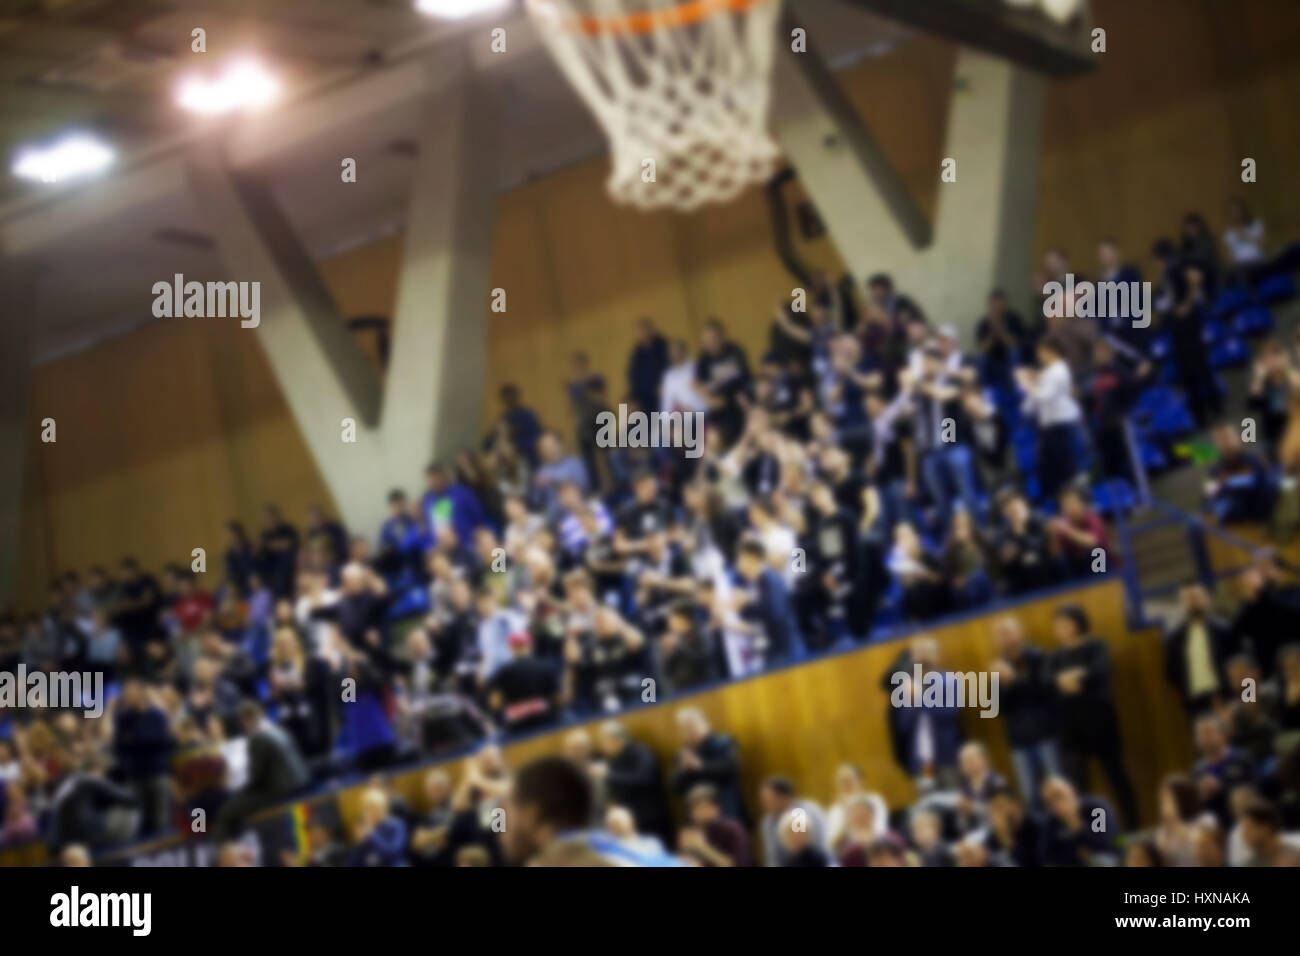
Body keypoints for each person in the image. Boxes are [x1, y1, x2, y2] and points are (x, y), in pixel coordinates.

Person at [1047, 604, 1138, 829]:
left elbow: (1100, 670)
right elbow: (1047, 680)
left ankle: (1132, 825)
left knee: (1115, 774)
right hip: (1071, 725)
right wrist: (1064, 680)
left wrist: (1077, 676)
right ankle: (1089, 831)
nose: (1060, 629)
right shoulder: (1056, 655)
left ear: (1077, 623)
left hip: (1100, 720)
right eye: (1057, 625)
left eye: (1065, 623)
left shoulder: (1096, 645)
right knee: (1077, 782)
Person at [502, 756, 681, 866]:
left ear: (532, 814)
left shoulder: (557, 861)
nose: (501, 831)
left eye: (506, 811)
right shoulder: (640, 848)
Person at [214, 700, 310, 838]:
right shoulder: (275, 728)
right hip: (299, 779)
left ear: (244, 719)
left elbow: (256, 778)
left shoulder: (258, 737)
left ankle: (228, 847)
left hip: (281, 788)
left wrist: (240, 794)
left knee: (227, 812)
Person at [990, 616, 1059, 806]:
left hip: (1046, 733)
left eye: (1008, 631)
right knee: (1030, 795)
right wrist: (1002, 685)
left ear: (1020, 632)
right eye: (1000, 634)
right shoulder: (998, 666)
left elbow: (1047, 691)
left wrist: (1014, 681)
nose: (1005, 638)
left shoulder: (1037, 657)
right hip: (1018, 740)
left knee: (1058, 789)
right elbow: (997, 709)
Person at [1017, 336, 1083, 502]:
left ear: (1050, 351)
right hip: (1048, 428)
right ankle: (1059, 505)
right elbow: (1031, 403)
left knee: (1066, 469)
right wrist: (1030, 384)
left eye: (1041, 351)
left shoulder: (1060, 369)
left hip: (1061, 425)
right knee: (1047, 471)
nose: (1039, 355)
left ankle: (1081, 503)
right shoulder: (1047, 372)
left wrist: (1027, 383)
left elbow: (1044, 397)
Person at [1162, 584, 1236, 715]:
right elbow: (1172, 674)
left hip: (1229, 698)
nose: (1193, 603)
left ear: (1207, 599)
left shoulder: (1225, 630)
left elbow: (1247, 673)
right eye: (1188, 599)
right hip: (1196, 704)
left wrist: (1250, 701)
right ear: (1182, 605)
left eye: (1196, 597)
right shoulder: (1175, 639)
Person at [669, 708, 748, 825]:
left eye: (692, 726)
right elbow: (675, 788)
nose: (690, 731)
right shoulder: (683, 754)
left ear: (706, 724)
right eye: (685, 728)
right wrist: (684, 770)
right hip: (698, 816)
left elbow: (730, 769)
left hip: (727, 808)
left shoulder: (724, 743)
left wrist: (701, 766)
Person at [758, 776, 829, 867]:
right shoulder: (768, 823)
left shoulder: (808, 811)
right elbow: (773, 858)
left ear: (784, 797)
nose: (764, 804)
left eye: (768, 800)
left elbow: (823, 848)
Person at [679, 784, 753, 866]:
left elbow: (736, 864)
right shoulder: (693, 832)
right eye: (696, 808)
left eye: (705, 806)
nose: (701, 812)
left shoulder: (733, 829)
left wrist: (702, 847)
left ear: (717, 808)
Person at [627, 318, 670, 413]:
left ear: (651, 330)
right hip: (647, 402)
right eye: (640, 332)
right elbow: (633, 380)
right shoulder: (636, 356)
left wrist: (666, 386)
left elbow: (673, 368)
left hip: (668, 395)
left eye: (645, 330)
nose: (643, 334)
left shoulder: (664, 346)